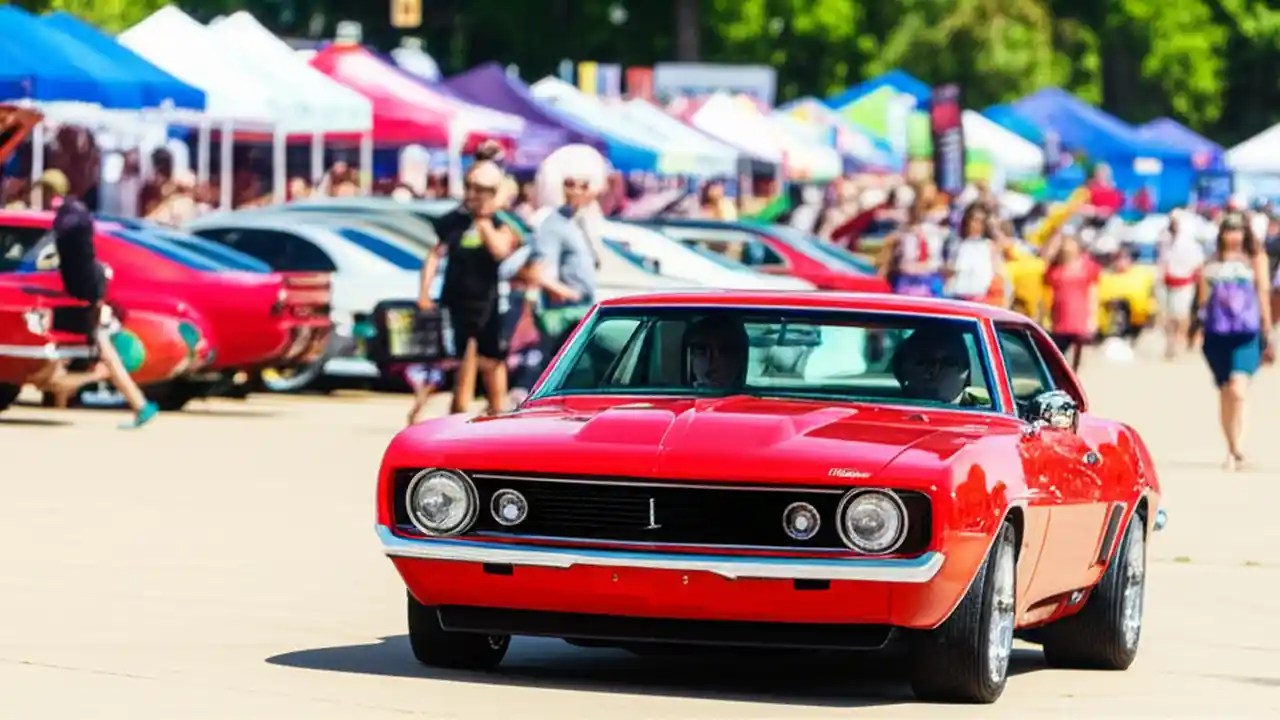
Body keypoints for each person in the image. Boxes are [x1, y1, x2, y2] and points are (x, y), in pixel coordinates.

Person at [41, 201, 158, 428]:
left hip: (82, 302)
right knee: (105, 352)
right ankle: (140, 405)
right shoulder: (80, 245)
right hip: (90, 296)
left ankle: (133, 399)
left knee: (52, 376)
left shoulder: (71, 244)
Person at [419, 160, 518, 416]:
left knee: (492, 361)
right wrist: (425, 292)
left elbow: (500, 251)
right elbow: (434, 254)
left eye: (482, 189)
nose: (474, 194)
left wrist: (484, 221)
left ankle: (498, 410)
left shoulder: (499, 221)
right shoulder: (453, 221)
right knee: (461, 358)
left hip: (488, 302)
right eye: (470, 187)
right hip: (455, 300)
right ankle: (456, 410)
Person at [1198, 212, 1274, 471]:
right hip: (1217, 334)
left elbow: (1263, 293)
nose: (1233, 236)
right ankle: (1230, 448)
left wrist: (1267, 330)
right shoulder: (1212, 262)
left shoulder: (1256, 259)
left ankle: (1239, 447)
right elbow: (1202, 300)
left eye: (1238, 230)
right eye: (1228, 231)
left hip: (1247, 333)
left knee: (1238, 390)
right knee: (1224, 391)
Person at [1043, 233, 1101, 372]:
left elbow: (1093, 292)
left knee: (1077, 350)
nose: (1066, 248)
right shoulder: (1055, 267)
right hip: (1060, 314)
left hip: (1079, 314)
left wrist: (1092, 317)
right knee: (1057, 351)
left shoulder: (1087, 266)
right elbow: (1046, 287)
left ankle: (1074, 376)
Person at [890, 325, 984, 406]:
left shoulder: (988, 412)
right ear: (902, 369)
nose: (933, 371)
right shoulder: (883, 410)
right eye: (923, 361)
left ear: (966, 372)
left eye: (947, 362)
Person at [1157, 211, 1207, 359]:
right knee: (1166, 316)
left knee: (1181, 315)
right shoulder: (1164, 239)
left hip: (1184, 281)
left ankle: (1180, 340)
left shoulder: (1189, 242)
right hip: (1166, 281)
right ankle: (1170, 342)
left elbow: (1198, 264)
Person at [877, 191, 945, 297]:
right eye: (913, 210)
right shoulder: (900, 234)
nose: (916, 213)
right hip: (905, 282)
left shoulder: (933, 232)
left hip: (928, 281)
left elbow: (935, 260)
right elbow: (889, 260)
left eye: (920, 209)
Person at [943, 203, 1005, 305]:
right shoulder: (957, 244)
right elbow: (949, 270)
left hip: (981, 299)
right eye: (974, 220)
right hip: (956, 297)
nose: (976, 225)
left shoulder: (989, 246)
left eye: (981, 222)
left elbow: (998, 274)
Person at [683, 317, 748, 389]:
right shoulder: (677, 396)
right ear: (690, 358)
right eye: (702, 350)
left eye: (725, 351)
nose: (713, 361)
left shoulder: (755, 398)